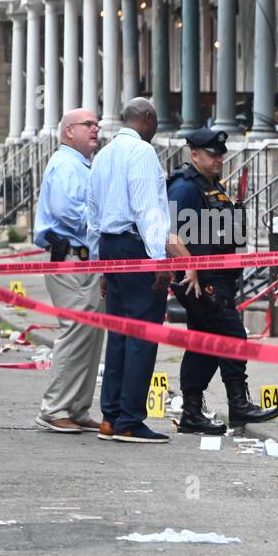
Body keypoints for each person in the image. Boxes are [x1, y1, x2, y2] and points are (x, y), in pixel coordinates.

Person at [87, 97, 200, 444]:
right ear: (149, 119)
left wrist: (101, 265)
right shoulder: (142, 153)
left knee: (119, 332)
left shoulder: (103, 154)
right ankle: (130, 420)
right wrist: (160, 260)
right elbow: (149, 211)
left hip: (109, 245)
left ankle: (110, 416)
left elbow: (91, 213)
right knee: (142, 335)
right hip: (136, 246)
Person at [167, 128, 278, 434]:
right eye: (211, 154)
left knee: (203, 345)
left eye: (221, 154)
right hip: (202, 280)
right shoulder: (185, 188)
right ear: (194, 155)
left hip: (219, 277)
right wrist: (190, 267)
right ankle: (238, 405)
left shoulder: (210, 185)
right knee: (232, 335)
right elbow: (168, 233)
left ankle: (192, 412)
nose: (219, 159)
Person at [32, 108, 105, 435]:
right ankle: (55, 408)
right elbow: (68, 212)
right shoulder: (65, 165)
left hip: (85, 260)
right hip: (72, 259)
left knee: (90, 335)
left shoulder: (81, 165)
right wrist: (106, 224)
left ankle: (75, 407)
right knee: (76, 332)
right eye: (88, 124)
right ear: (68, 131)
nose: (96, 128)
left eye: (96, 123)